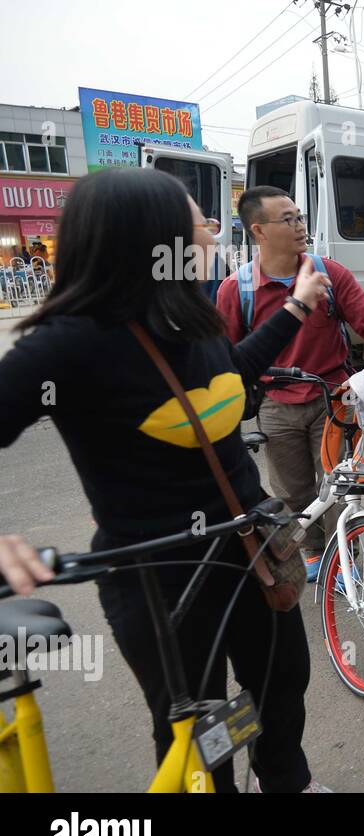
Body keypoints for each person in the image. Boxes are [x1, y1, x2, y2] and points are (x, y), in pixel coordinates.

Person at [0, 167, 328, 792]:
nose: (210, 232)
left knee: (281, 682)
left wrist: (295, 307)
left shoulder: (190, 316)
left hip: (247, 545)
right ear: (150, 240)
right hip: (158, 579)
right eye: (196, 223)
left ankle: (288, 781)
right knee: (193, 723)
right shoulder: (67, 345)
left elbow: (228, 377)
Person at [216, 186, 364, 580]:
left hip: (334, 398)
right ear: (259, 231)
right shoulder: (237, 289)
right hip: (275, 405)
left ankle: (345, 558)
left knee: (340, 486)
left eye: (300, 217)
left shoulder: (329, 273)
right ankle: (312, 552)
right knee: (292, 493)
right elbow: (224, 359)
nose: (299, 226)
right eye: (288, 219)